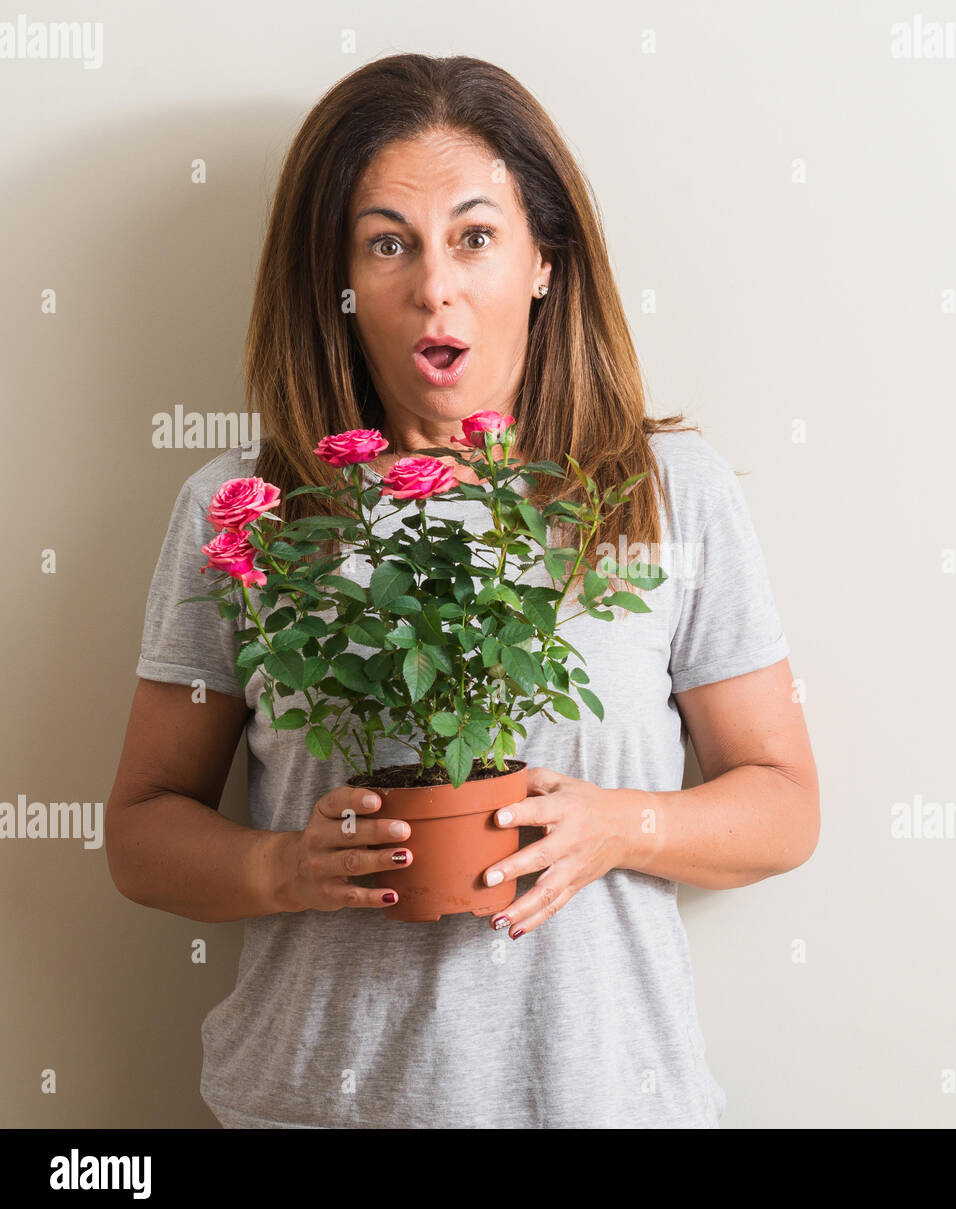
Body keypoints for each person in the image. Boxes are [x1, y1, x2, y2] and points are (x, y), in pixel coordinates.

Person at [106, 53, 819, 1129]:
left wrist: (617, 827)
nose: (435, 285)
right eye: (388, 243)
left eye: (475, 236)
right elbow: (142, 828)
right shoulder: (246, 509)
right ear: (338, 282)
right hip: (312, 1106)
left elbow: (783, 802)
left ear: (543, 260)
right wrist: (285, 867)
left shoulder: (668, 494)